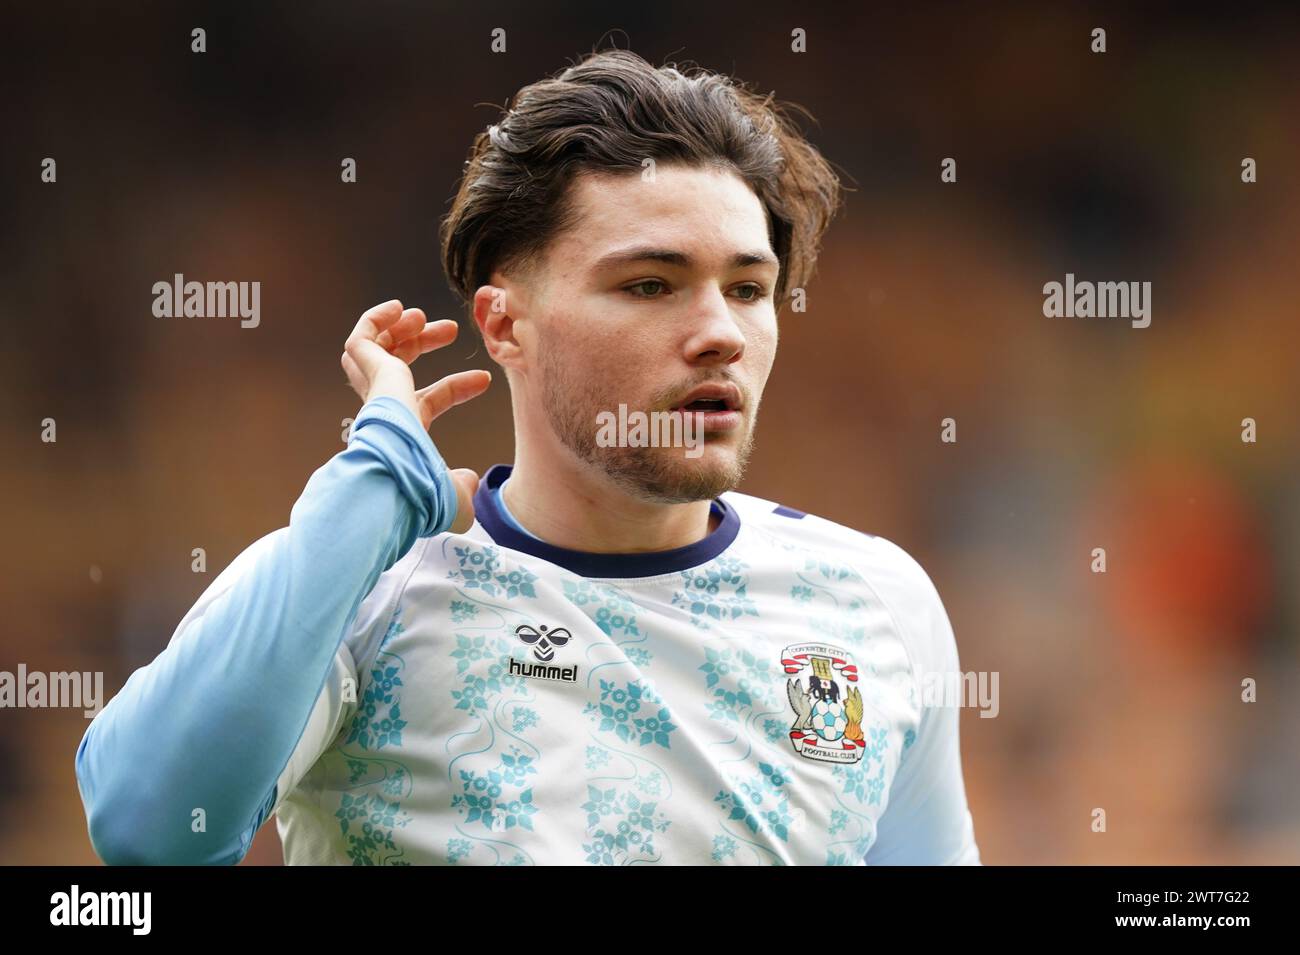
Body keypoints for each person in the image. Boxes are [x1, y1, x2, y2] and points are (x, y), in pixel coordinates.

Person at [75, 47, 980, 865]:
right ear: (506, 323)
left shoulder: (875, 605)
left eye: (748, 288)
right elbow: (150, 834)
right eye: (650, 284)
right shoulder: (360, 590)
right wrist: (370, 488)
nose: (720, 333)